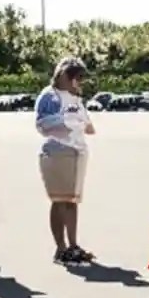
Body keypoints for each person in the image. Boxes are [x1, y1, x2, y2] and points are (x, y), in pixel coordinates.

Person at [35, 57, 96, 266]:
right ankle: (60, 249)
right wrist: (67, 122)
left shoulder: (75, 98)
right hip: (57, 152)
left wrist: (82, 123)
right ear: (63, 76)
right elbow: (42, 124)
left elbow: (88, 125)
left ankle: (73, 245)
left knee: (72, 201)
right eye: (76, 78)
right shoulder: (50, 96)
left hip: (77, 151)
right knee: (59, 201)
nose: (79, 83)